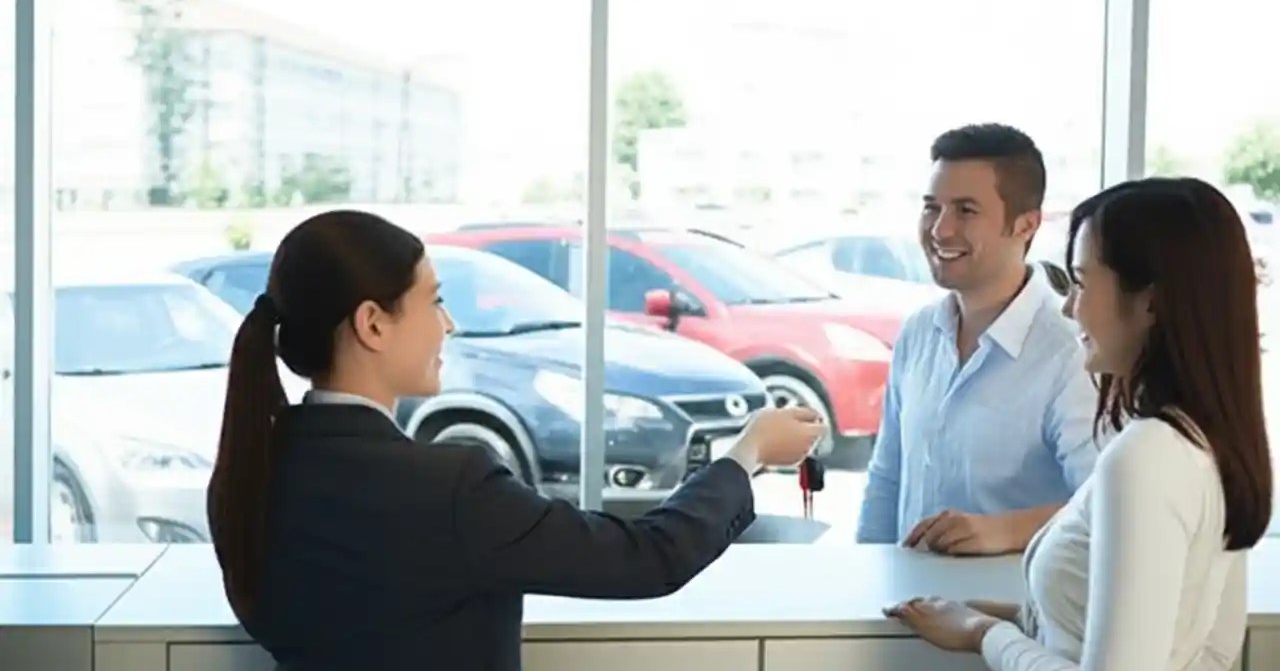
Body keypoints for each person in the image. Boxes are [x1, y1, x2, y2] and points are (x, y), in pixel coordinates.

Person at [206, 209, 825, 671]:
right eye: (434, 301)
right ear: (372, 323)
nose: (447, 323)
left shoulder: (250, 472)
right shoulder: (449, 489)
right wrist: (747, 455)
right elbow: (650, 556)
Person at [885, 177, 1272, 669]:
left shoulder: (1145, 455)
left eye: (1082, 283)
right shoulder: (1208, 443)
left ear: (1150, 302)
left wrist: (983, 634)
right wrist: (1015, 621)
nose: (1069, 307)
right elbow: (1208, 648)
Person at [856, 123, 1098, 555]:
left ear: (1025, 225)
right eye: (932, 208)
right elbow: (887, 479)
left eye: (966, 211)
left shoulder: (1070, 351)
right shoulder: (918, 333)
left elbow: (1107, 506)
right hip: (904, 611)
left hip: (1011, 615)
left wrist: (1007, 530)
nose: (941, 230)